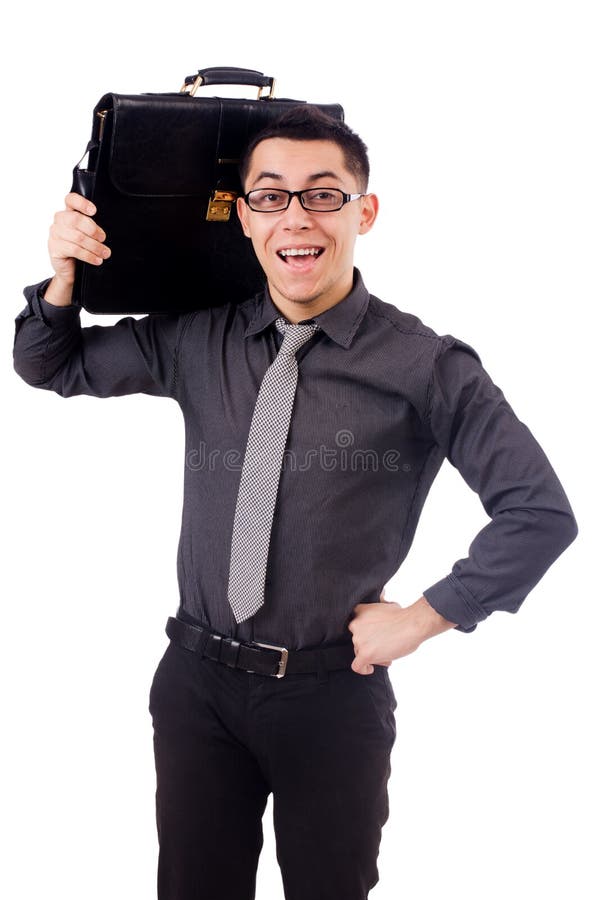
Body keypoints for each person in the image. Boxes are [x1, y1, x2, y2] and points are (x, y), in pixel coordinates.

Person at [13, 106, 577, 900]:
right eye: (271, 197)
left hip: (330, 695)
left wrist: (421, 618)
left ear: (364, 212)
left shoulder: (426, 366)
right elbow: (51, 364)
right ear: (244, 218)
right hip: (195, 686)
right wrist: (64, 276)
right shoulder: (196, 338)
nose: (297, 219)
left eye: (323, 195)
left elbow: (538, 513)